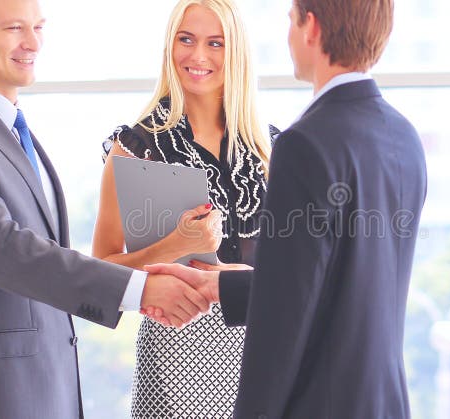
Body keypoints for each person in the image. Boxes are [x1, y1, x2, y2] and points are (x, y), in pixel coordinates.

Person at [0, 0, 208, 418]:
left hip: (41, 392)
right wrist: (137, 290)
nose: (32, 43)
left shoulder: (13, 132)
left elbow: (42, 262)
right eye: (14, 28)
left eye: (38, 27)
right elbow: (1, 249)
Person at [145, 0, 428, 417]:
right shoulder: (404, 137)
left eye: (291, 21)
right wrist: (220, 287)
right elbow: (337, 284)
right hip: (382, 402)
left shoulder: (304, 144)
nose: (289, 35)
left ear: (310, 28)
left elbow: (284, 317)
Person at [92, 0, 271, 417]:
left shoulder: (269, 150)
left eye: (216, 43)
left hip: (259, 351)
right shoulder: (137, 148)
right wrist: (175, 245)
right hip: (175, 360)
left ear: (237, 52)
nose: (198, 56)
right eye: (185, 39)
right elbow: (100, 269)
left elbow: (292, 269)